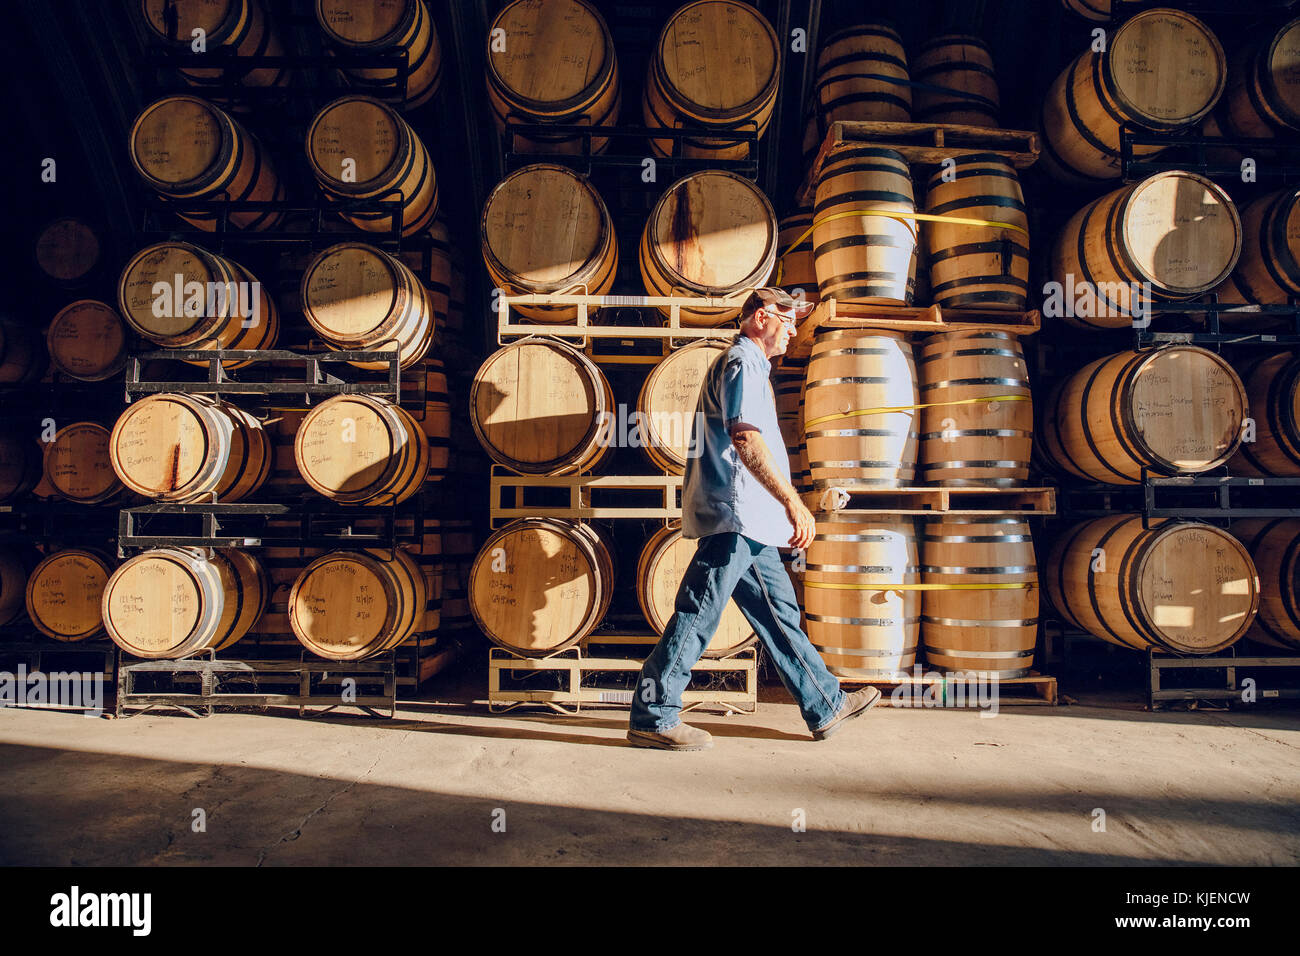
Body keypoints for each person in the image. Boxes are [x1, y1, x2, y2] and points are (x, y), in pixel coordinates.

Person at [628, 288, 881, 751]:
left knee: (779, 615)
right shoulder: (742, 362)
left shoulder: (753, 367)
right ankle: (654, 713)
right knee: (698, 611)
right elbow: (744, 439)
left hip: (753, 521)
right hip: (736, 514)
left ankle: (825, 703)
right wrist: (793, 502)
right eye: (788, 320)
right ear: (761, 317)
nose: (794, 329)